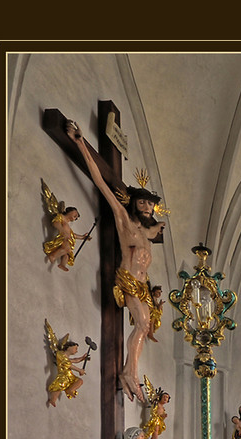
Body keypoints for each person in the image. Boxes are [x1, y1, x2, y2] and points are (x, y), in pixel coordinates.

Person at [68, 121, 165, 403]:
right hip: (128, 279)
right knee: (143, 325)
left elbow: (155, 230)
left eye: (151, 204)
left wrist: (158, 229)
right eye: (142, 202)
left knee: (145, 327)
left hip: (143, 285)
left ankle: (130, 371)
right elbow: (100, 182)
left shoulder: (148, 231)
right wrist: (80, 144)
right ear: (133, 203)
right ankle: (128, 373)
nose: (147, 207)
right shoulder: (124, 221)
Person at [47, 339, 88, 407]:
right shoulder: (60, 354)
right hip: (63, 375)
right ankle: (53, 400)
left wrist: (82, 358)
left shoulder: (67, 357)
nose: (76, 351)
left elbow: (74, 360)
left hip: (70, 375)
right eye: (75, 348)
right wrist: (79, 370)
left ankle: (71, 389)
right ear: (69, 347)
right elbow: (68, 364)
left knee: (80, 381)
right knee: (59, 386)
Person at [43, 205, 81, 272]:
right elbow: (55, 223)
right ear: (70, 211)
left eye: (76, 217)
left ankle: (62, 265)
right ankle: (53, 256)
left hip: (68, 240)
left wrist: (83, 237)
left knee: (66, 256)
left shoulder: (68, 226)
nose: (76, 216)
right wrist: (62, 231)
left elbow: (73, 235)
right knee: (67, 249)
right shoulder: (61, 217)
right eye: (75, 214)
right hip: (63, 239)